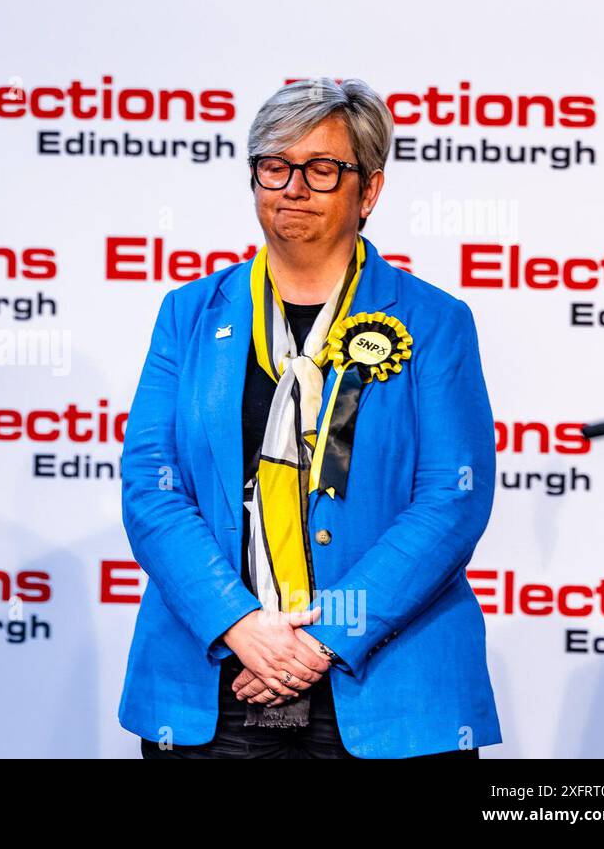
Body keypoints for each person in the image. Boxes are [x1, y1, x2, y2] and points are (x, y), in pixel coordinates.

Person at [118, 78, 501, 758]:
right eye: (274, 166)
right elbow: (153, 486)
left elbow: (451, 501)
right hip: (214, 681)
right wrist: (238, 623)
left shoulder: (435, 322)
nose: (293, 186)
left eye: (322, 170)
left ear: (369, 190)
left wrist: (324, 639)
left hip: (390, 684)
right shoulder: (188, 314)